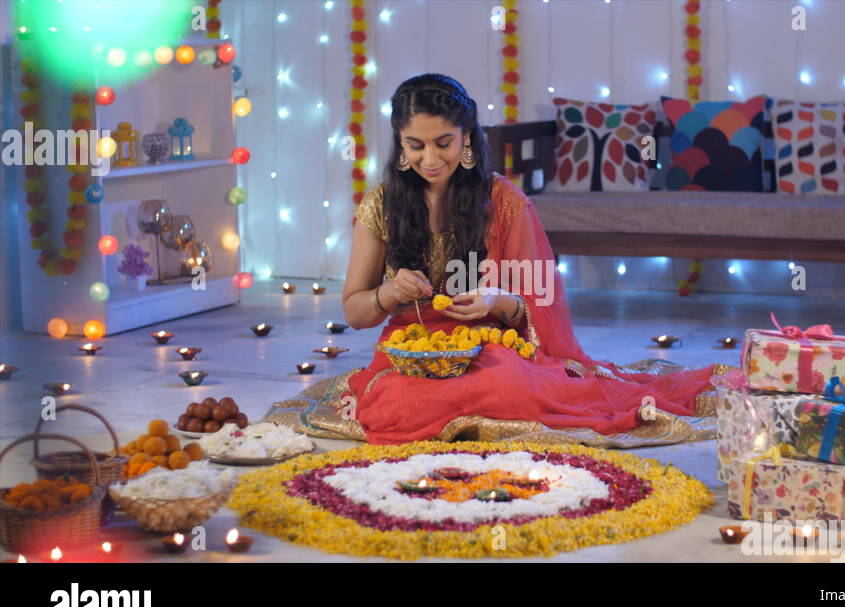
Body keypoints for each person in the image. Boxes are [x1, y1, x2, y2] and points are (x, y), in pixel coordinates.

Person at [266, 73, 718, 447]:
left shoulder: (503, 202)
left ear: (466, 139)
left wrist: (498, 301)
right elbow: (354, 310)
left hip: (490, 344)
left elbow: (538, 308)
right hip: (411, 352)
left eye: (443, 142)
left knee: (505, 387)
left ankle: (477, 409)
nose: (429, 158)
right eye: (414, 145)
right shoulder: (381, 204)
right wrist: (387, 294)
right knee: (393, 406)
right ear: (399, 144)